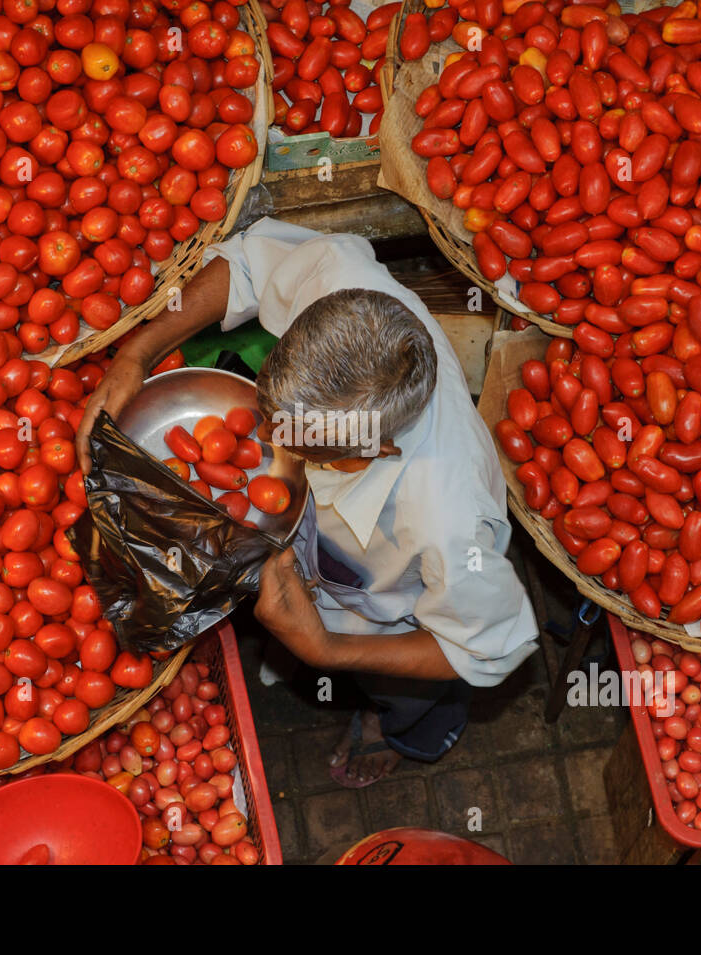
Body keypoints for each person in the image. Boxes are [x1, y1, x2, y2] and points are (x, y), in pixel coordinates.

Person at [76, 218, 539, 788]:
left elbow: (484, 649)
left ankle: (398, 734)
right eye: (274, 414)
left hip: (389, 621)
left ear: (380, 446)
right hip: (317, 571)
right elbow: (246, 264)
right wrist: (136, 355)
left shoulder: (450, 519)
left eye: (308, 445)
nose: (272, 440)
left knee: (404, 696)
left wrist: (327, 649)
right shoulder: (342, 288)